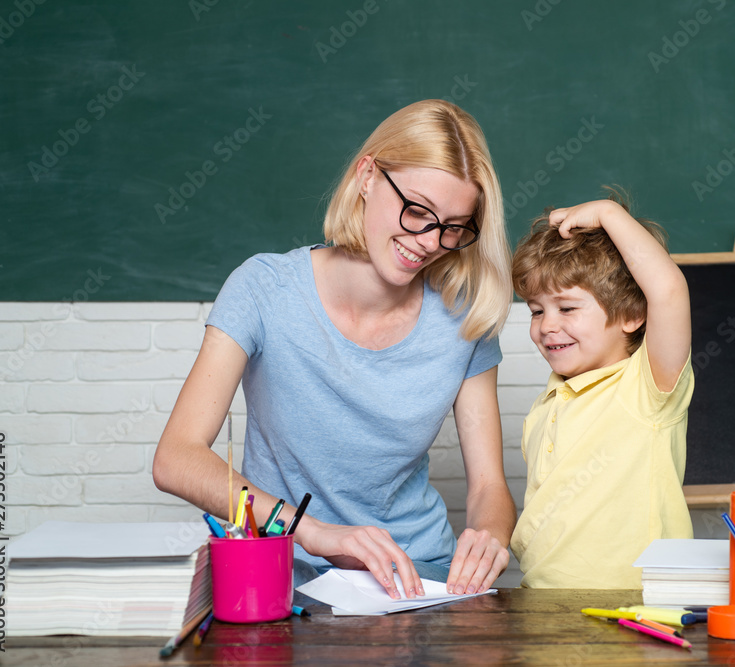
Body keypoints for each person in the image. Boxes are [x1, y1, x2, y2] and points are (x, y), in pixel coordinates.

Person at [153, 100, 516, 600]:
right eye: (417, 211)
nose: (430, 241)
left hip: (418, 576)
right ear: (367, 176)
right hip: (282, 571)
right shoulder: (264, 289)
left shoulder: (464, 315)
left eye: (453, 227)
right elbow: (176, 458)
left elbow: (488, 488)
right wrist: (315, 532)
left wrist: (490, 537)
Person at [508, 192, 694, 588]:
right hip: (546, 608)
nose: (547, 326)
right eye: (537, 310)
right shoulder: (547, 405)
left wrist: (608, 214)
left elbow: (668, 290)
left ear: (631, 314)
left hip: (634, 610)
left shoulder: (647, 388)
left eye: (567, 308)